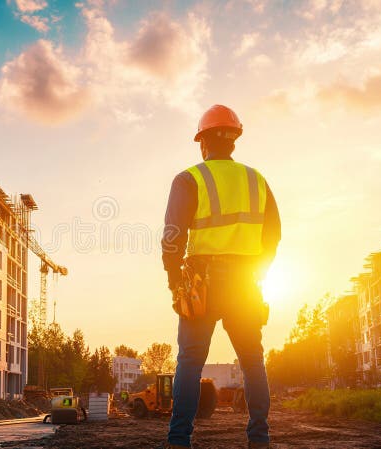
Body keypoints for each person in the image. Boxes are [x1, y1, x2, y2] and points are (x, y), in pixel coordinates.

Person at [161, 105, 281, 449]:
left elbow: (172, 238)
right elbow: (273, 236)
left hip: (202, 282)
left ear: (202, 143)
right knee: (253, 362)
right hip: (245, 284)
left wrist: (175, 282)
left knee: (189, 363)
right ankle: (259, 439)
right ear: (233, 141)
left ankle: (178, 440)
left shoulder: (189, 178)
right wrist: (257, 273)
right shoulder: (257, 180)